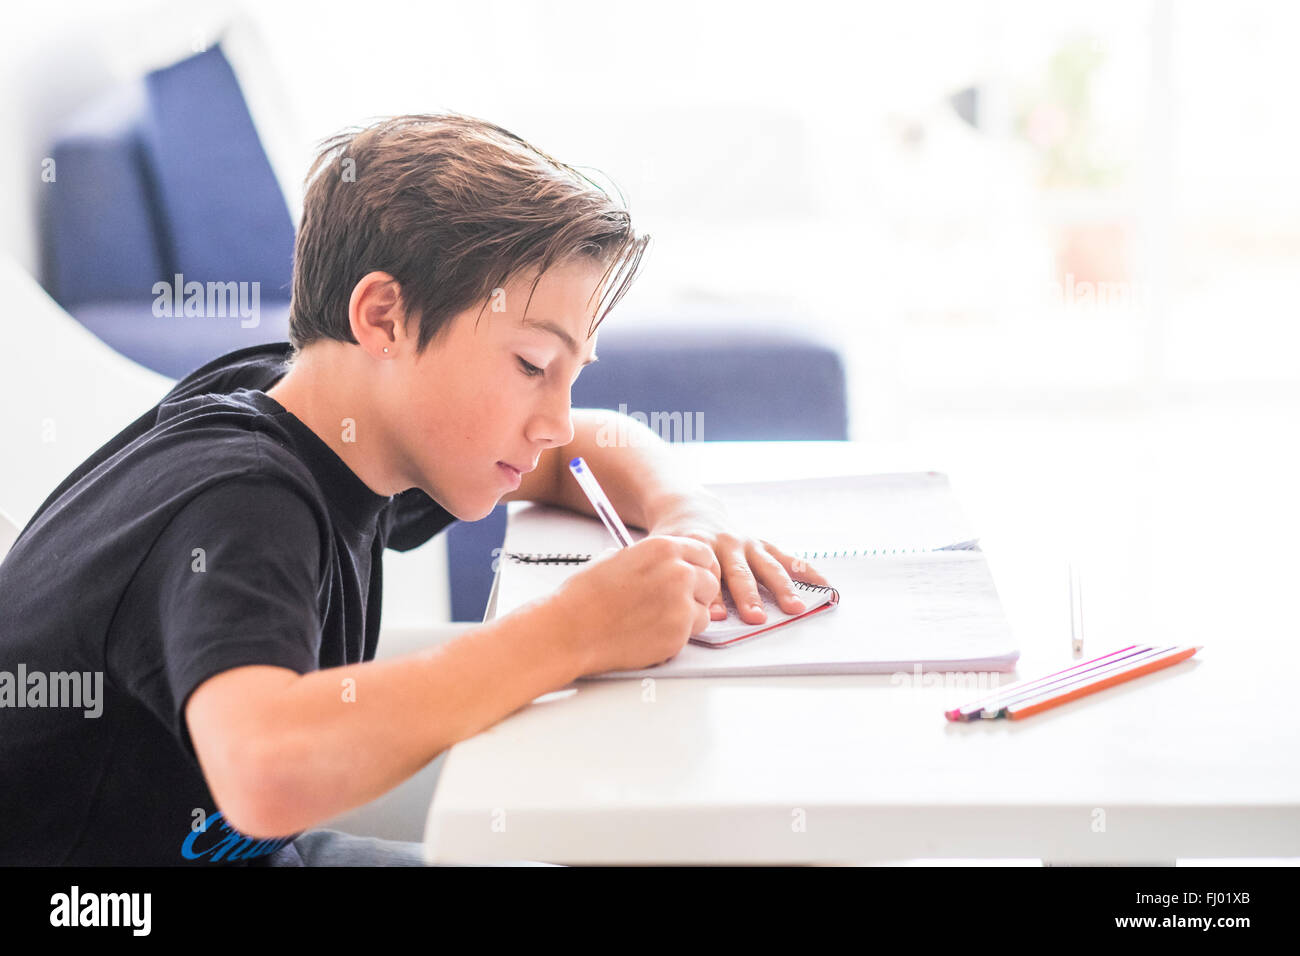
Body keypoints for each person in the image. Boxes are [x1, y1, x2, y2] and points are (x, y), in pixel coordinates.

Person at [0, 113, 826, 865]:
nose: (554, 419)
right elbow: (265, 775)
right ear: (385, 318)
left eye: (570, 375)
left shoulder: (340, 421)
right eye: (533, 366)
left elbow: (586, 448)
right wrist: (573, 633)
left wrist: (688, 513)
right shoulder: (242, 504)